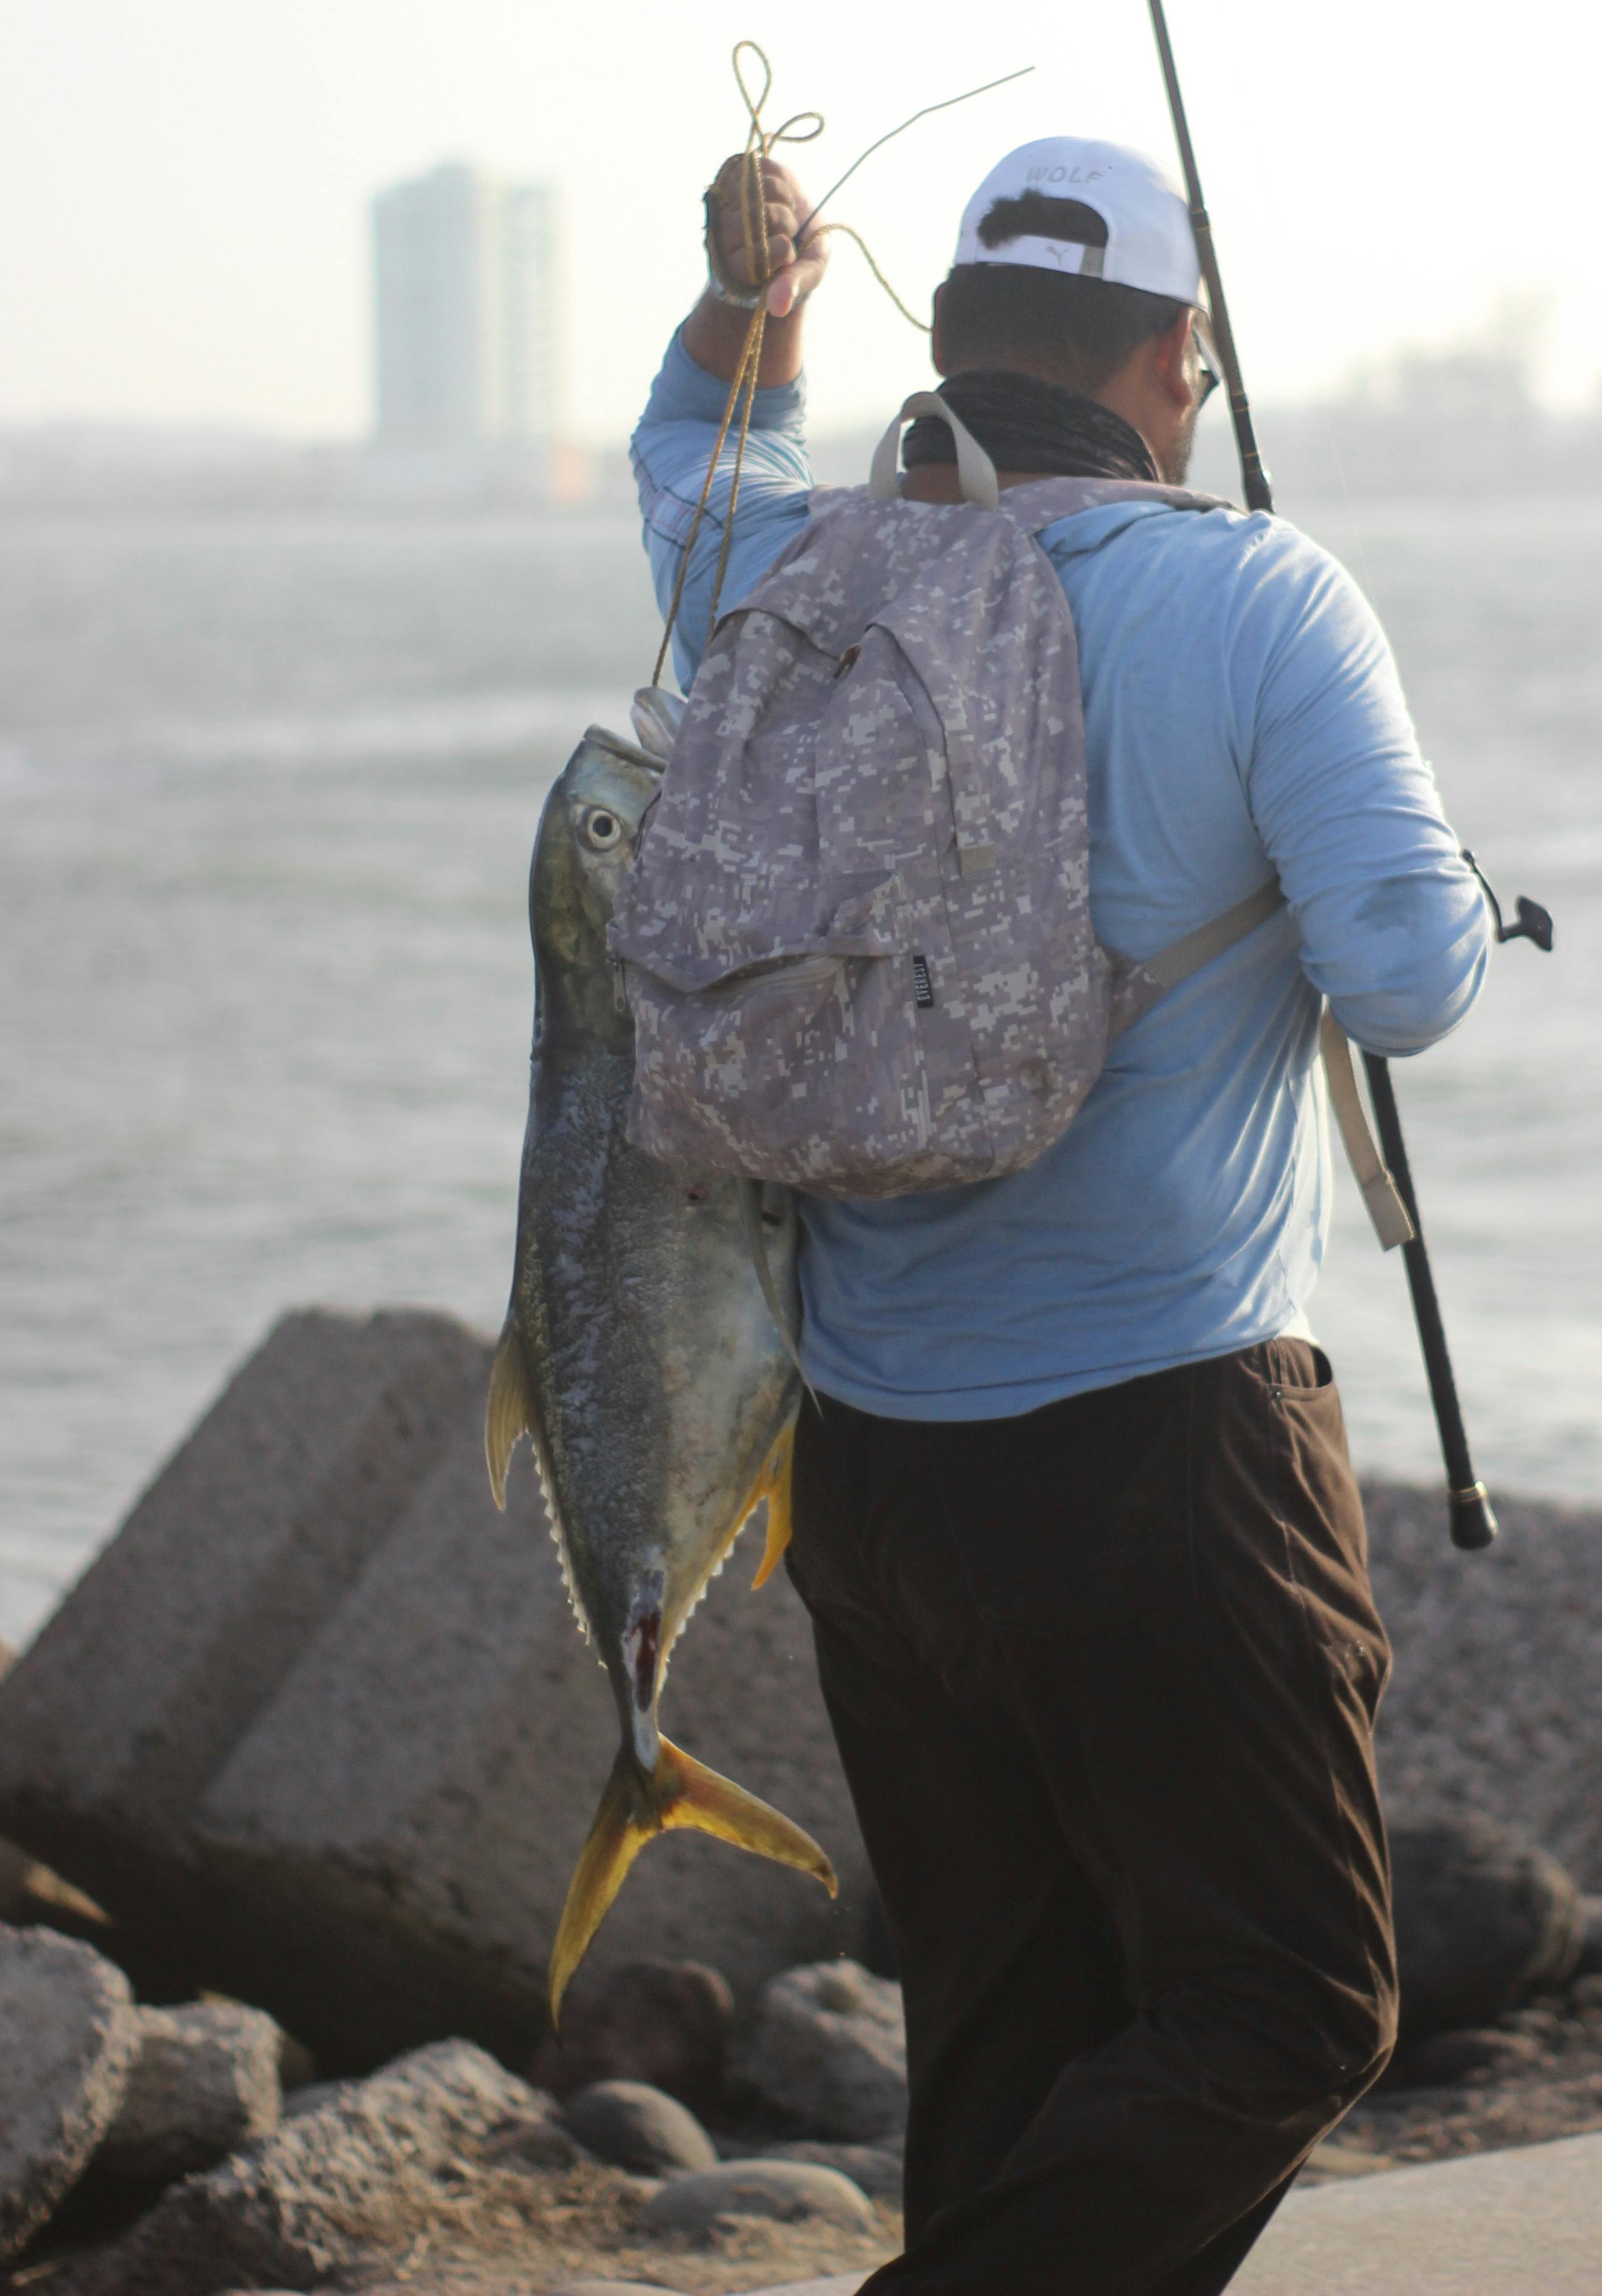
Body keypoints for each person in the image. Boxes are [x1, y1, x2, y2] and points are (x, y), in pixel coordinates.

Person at [631, 133, 1491, 2296]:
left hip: (872, 1481)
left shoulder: (789, 578)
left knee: (1012, 2049)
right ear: (1175, 357)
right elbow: (1401, 977)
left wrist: (756, 305)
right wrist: (1458, 902)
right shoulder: (1254, 594)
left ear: (954, 337)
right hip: (1164, 1450)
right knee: (1289, 2001)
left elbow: (683, 452)